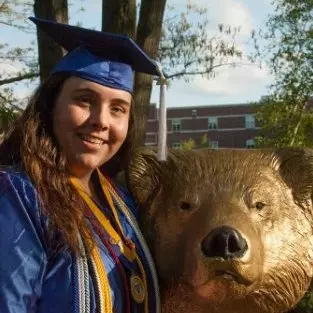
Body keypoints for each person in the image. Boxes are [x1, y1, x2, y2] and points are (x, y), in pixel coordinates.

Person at [0, 17, 162, 313]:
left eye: (118, 109)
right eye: (85, 100)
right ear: (50, 105)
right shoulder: (17, 197)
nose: (101, 121)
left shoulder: (123, 201)